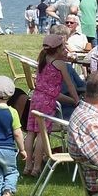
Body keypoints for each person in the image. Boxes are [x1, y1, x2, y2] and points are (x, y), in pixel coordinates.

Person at [24, 33, 80, 177]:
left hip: (36, 98)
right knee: (43, 133)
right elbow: (70, 85)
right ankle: (37, 167)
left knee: (31, 132)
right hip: (48, 101)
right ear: (58, 49)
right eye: (63, 48)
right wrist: (76, 100)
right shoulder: (60, 64)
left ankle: (27, 165)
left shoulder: (42, 61)